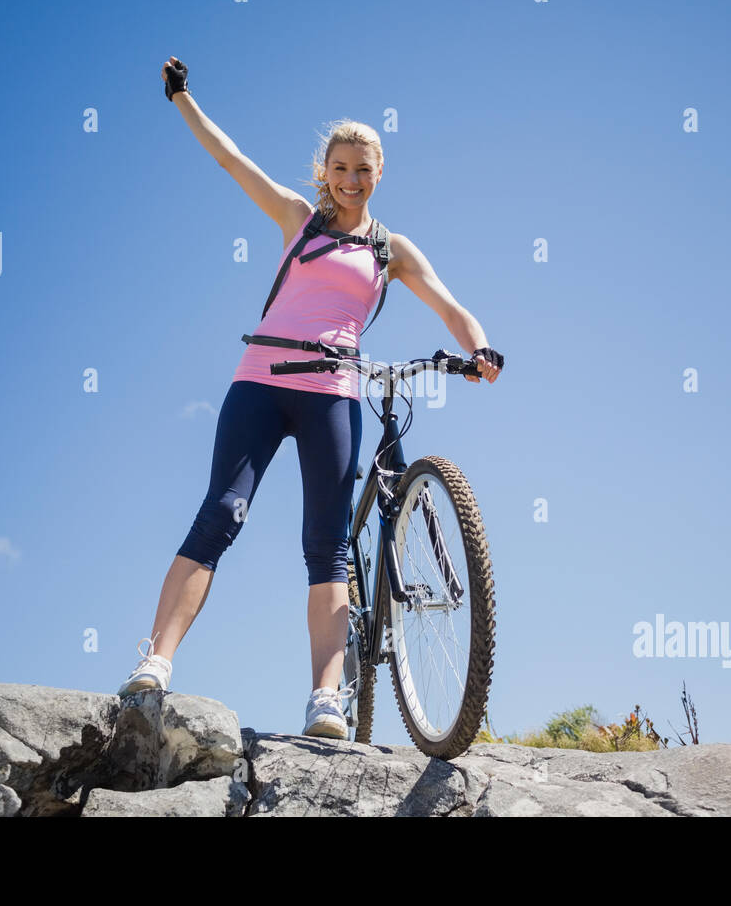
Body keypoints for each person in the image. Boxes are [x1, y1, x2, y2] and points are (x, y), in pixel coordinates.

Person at [118, 56, 505, 740]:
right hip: (261, 381)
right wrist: (183, 100)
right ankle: (155, 661)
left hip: (334, 391)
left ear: (379, 173)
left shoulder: (391, 249)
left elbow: (451, 308)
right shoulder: (299, 220)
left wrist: (480, 348)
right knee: (221, 514)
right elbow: (230, 160)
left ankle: (326, 696)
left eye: (364, 168)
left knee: (326, 545)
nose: (352, 179)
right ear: (324, 173)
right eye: (341, 167)